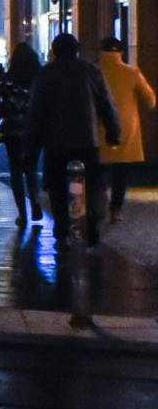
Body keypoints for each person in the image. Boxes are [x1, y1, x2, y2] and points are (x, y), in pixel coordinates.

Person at [25, 31, 119, 248]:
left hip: (56, 142)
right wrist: (114, 132)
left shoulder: (45, 74)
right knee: (94, 183)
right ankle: (93, 222)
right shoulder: (91, 71)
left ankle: (61, 225)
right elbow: (107, 105)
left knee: (57, 186)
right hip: (88, 140)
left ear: (55, 51)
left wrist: (31, 148)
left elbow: (36, 113)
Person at [96, 29, 155, 218]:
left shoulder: (94, 72)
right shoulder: (132, 73)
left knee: (98, 172)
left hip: (98, 129)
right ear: (120, 52)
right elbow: (151, 99)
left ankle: (98, 204)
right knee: (121, 173)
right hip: (125, 130)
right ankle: (116, 209)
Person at [0, 40, 42, 224]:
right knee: (31, 169)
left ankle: (22, 213)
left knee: (15, 170)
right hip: (33, 129)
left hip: (12, 129)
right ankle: (36, 205)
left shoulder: (6, 80)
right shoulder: (38, 79)